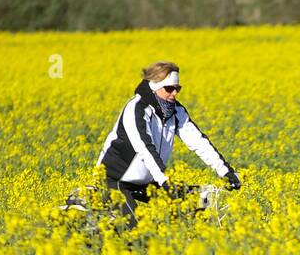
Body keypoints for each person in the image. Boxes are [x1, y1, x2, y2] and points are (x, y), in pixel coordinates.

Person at [97, 61, 240, 227]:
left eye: (177, 89)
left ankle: (189, 236)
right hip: (114, 180)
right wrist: (164, 180)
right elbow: (144, 148)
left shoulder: (175, 110)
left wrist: (226, 172)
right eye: (169, 89)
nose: (174, 94)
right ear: (155, 87)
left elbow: (198, 142)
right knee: (137, 230)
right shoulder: (136, 108)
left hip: (147, 182)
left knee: (202, 198)